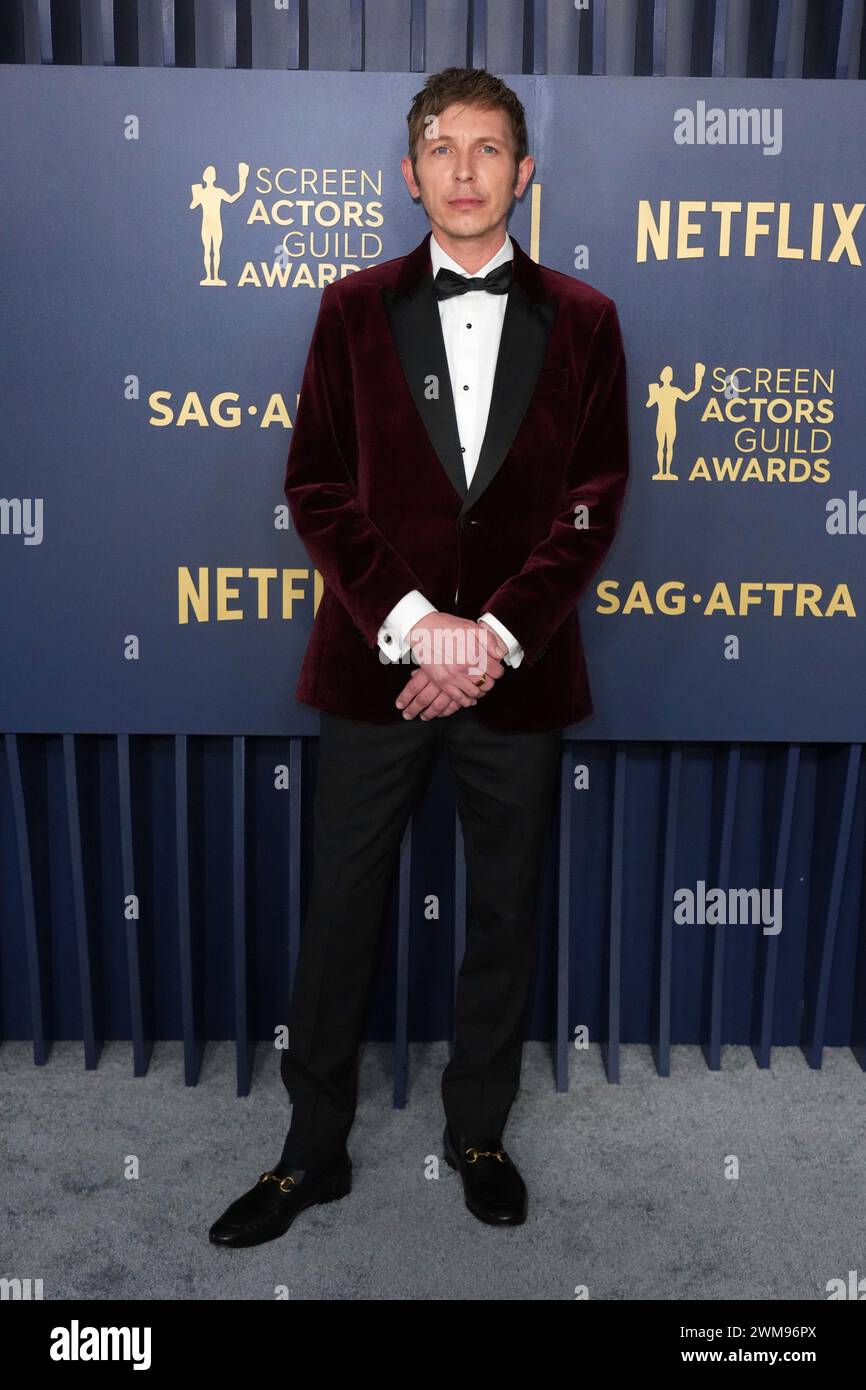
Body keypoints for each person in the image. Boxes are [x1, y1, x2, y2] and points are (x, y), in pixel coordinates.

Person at [209, 65, 629, 1248]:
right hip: (372, 667)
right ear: (409, 172)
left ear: (522, 172)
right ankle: (309, 1153)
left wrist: (487, 638)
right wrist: (411, 625)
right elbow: (317, 489)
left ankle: (478, 1130)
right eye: (441, 148)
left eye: (488, 149)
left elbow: (594, 501)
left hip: (518, 670)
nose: (463, 170)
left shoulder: (588, 321)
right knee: (340, 909)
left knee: (502, 910)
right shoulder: (348, 310)